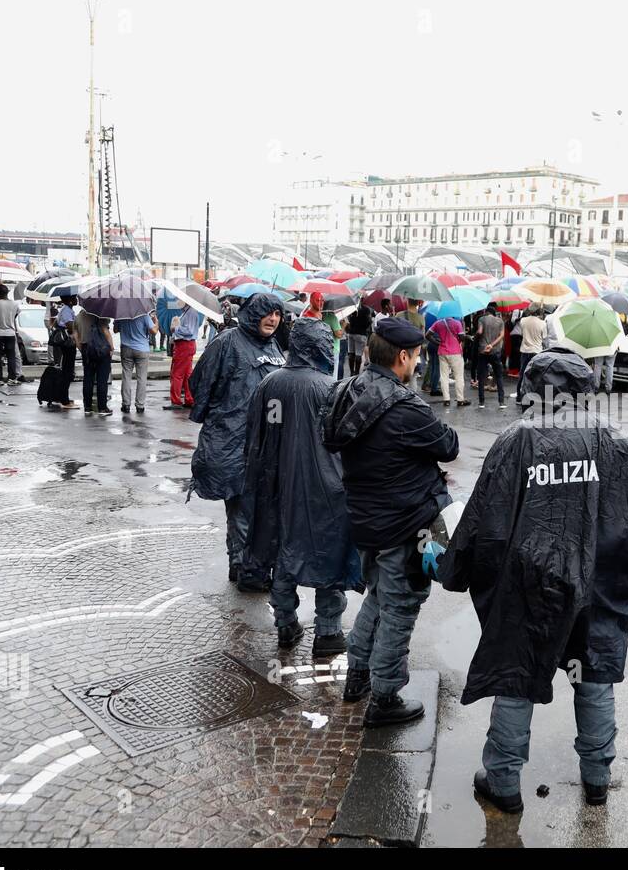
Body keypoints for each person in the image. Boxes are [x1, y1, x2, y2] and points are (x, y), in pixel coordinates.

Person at [441, 350, 628, 813]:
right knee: (594, 672)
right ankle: (597, 777)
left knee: (517, 672)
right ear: (584, 389)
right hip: (599, 582)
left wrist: (458, 568)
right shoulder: (614, 441)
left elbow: (485, 520)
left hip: (531, 582)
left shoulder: (515, 440)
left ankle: (503, 781)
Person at [322, 318, 460, 726]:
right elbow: (448, 445)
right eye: (417, 357)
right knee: (400, 608)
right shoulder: (405, 407)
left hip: (366, 520)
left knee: (379, 598)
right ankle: (385, 697)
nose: (418, 364)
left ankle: (358, 675)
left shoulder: (345, 391)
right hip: (405, 524)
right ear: (403, 357)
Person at [241, 317, 365, 655]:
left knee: (284, 553)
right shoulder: (332, 388)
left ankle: (286, 623)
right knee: (329, 556)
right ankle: (327, 632)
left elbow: (256, 435)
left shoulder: (270, 383)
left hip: (277, 485)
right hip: (324, 487)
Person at [189, 293, 286, 589]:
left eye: (278, 314)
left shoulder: (274, 346)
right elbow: (199, 382)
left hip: (266, 442)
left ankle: (245, 563)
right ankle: (244, 567)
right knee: (242, 504)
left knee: (262, 506)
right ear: (253, 313)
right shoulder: (227, 342)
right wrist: (219, 414)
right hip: (232, 439)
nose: (273, 319)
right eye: (267, 313)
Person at [116, 310, 158, 414]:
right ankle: (140, 405)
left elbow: (115, 329)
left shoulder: (120, 314)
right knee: (142, 378)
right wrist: (156, 321)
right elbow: (154, 331)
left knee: (126, 376)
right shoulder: (143, 314)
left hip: (126, 348)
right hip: (142, 349)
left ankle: (126, 404)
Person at [75, 306, 114, 415]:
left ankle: (87, 407)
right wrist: (111, 348)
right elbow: (105, 331)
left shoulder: (78, 317)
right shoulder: (100, 314)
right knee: (102, 379)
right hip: (101, 349)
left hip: (86, 349)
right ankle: (102, 408)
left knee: (88, 378)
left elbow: (75, 336)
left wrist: (82, 349)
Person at [165, 302, 202, 410]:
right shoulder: (187, 311)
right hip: (185, 345)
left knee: (177, 374)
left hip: (184, 345)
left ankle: (176, 401)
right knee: (186, 375)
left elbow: (189, 331)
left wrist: (175, 328)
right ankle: (189, 399)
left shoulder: (190, 312)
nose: (177, 302)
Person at [430, 315, 468, 406]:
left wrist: (437, 343)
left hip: (442, 352)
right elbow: (462, 338)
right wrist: (465, 335)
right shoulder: (457, 323)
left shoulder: (438, 323)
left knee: (444, 377)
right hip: (455, 353)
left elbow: (427, 335)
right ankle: (460, 400)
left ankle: (446, 400)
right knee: (458, 377)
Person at [475, 302, 507, 409]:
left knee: (481, 377)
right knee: (498, 376)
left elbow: (480, 332)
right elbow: (502, 335)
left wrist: (476, 336)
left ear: (486, 312)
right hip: (495, 351)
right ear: (494, 313)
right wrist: (492, 345)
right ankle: (501, 402)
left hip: (483, 351)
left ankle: (481, 402)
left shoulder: (482, 319)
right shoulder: (500, 321)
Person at [51, 296, 79, 409]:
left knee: (67, 369)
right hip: (68, 343)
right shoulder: (66, 310)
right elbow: (70, 327)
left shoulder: (66, 309)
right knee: (68, 370)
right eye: (75, 298)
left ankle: (63, 397)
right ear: (70, 300)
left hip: (67, 342)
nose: (77, 300)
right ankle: (64, 400)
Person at [515, 308, 545, 401]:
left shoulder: (523, 320)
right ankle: (535, 397)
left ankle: (519, 397)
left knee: (523, 374)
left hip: (525, 351)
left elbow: (520, 333)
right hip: (537, 352)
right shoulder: (543, 323)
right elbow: (544, 338)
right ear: (539, 313)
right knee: (536, 375)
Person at [346, 305, 373, 375]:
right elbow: (369, 322)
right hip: (361, 333)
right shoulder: (366, 309)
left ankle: (352, 372)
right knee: (358, 354)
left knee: (351, 353)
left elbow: (349, 320)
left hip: (351, 333)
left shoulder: (352, 307)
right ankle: (356, 373)